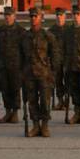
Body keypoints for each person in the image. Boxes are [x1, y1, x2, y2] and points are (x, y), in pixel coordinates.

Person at [19, 8, 61, 137]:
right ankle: (35, 125)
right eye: (31, 16)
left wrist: (53, 74)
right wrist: (21, 74)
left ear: (40, 18)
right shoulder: (24, 36)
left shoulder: (48, 36)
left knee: (45, 100)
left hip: (44, 74)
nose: (33, 19)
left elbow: (55, 56)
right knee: (31, 101)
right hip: (29, 74)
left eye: (35, 16)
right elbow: (20, 57)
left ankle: (45, 125)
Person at [0, 6, 23, 122]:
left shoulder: (21, 31)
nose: (7, 17)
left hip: (16, 66)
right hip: (3, 66)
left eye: (9, 15)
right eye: (5, 15)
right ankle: (8, 112)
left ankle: (15, 113)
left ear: (14, 16)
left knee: (15, 89)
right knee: (4, 89)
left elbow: (24, 50)